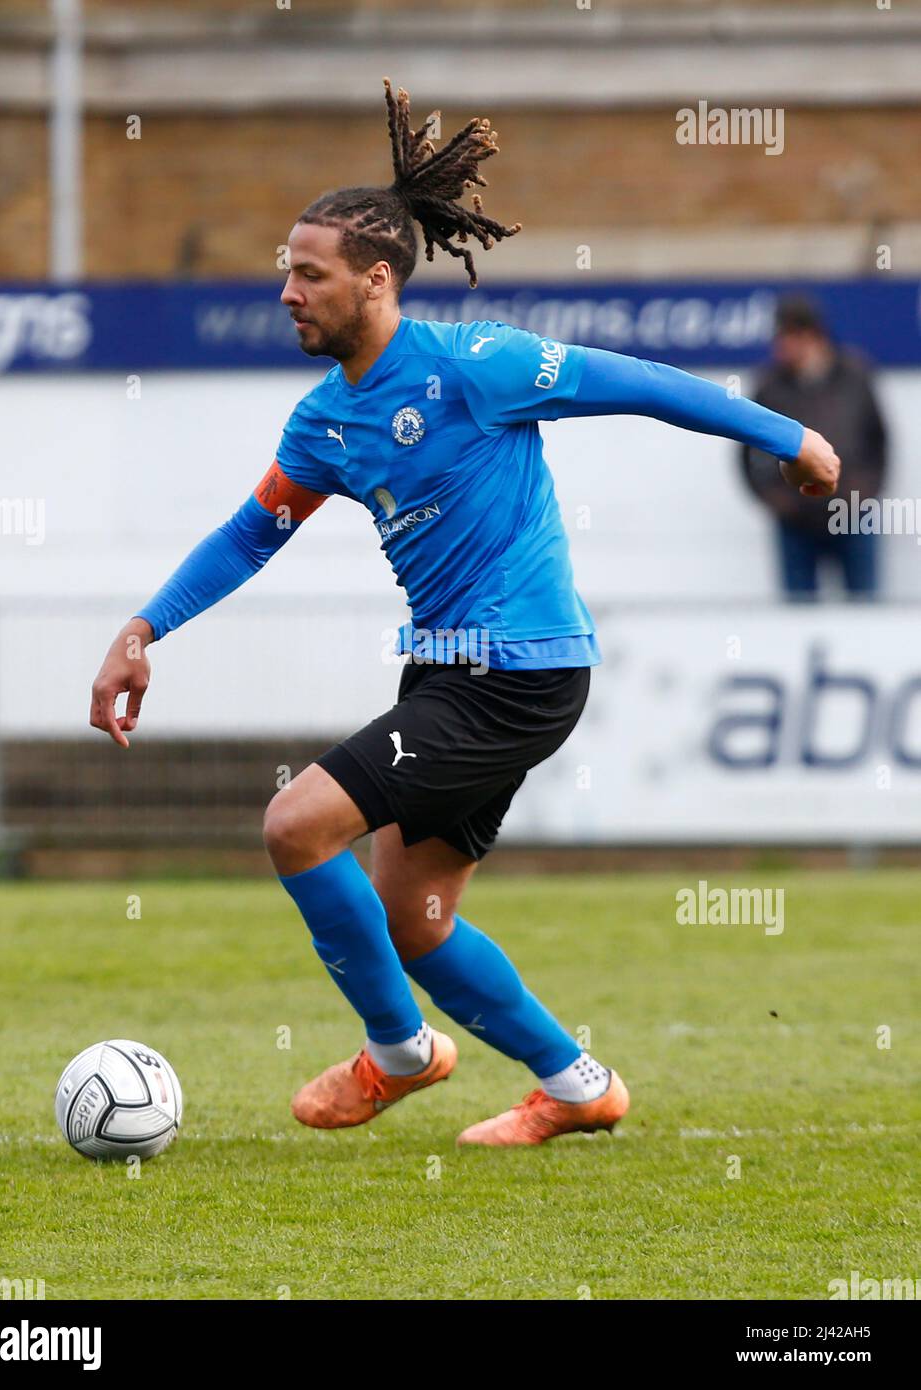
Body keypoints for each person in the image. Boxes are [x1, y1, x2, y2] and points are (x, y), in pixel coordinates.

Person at [90, 81, 840, 1146]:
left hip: (521, 669)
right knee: (416, 920)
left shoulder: (470, 365)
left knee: (295, 824)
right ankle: (578, 1087)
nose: (288, 294)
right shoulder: (322, 421)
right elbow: (253, 532)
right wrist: (142, 630)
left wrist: (787, 436)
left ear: (377, 279)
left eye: (309, 274)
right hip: (447, 674)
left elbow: (631, 381)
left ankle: (399, 1054)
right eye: (284, 274)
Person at [741, 294, 886, 598]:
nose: (780, 347)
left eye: (786, 336)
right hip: (796, 522)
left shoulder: (855, 375)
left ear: (810, 335)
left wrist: (863, 492)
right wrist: (780, 501)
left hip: (852, 514)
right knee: (799, 612)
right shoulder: (770, 384)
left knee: (866, 608)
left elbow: (879, 441)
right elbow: (748, 451)